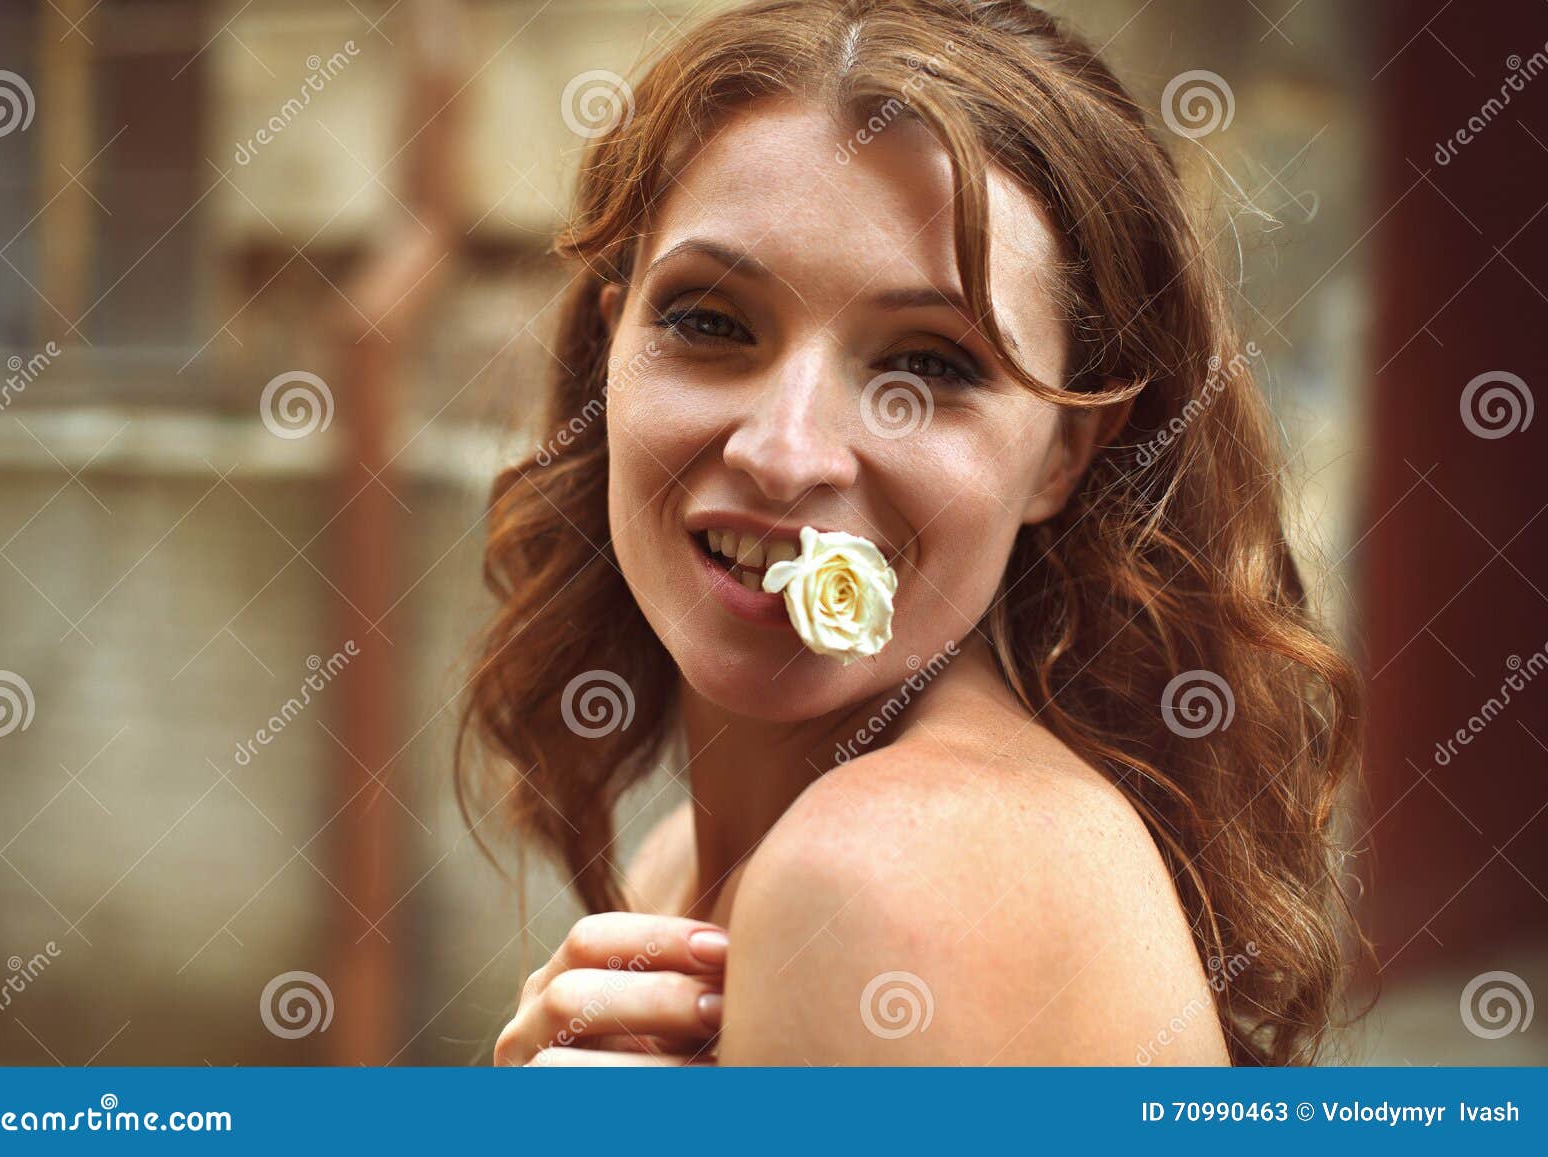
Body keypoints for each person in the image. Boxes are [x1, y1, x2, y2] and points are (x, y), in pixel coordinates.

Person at [468, 0, 1364, 1066]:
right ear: (613, 344)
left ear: (1065, 453)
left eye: (930, 365)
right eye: (709, 321)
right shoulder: (682, 870)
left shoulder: (880, 871)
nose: (786, 452)